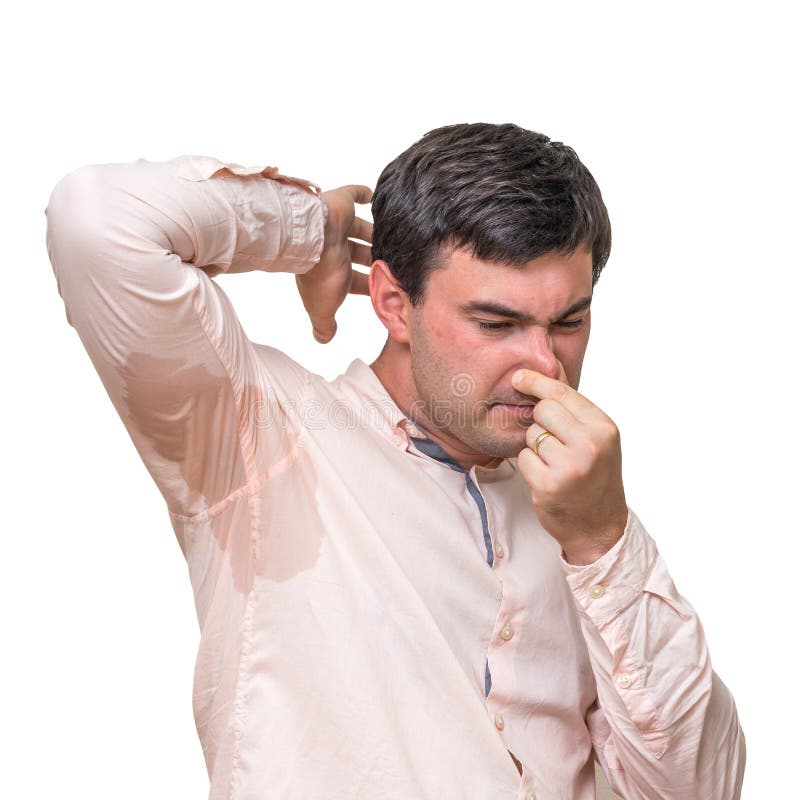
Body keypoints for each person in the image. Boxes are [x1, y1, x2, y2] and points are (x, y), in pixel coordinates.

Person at [44, 123, 746, 800]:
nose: (545, 366)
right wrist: (308, 233)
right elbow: (96, 220)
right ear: (392, 303)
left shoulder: (579, 510)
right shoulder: (261, 437)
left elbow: (700, 790)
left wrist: (603, 541)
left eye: (569, 322)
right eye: (496, 324)